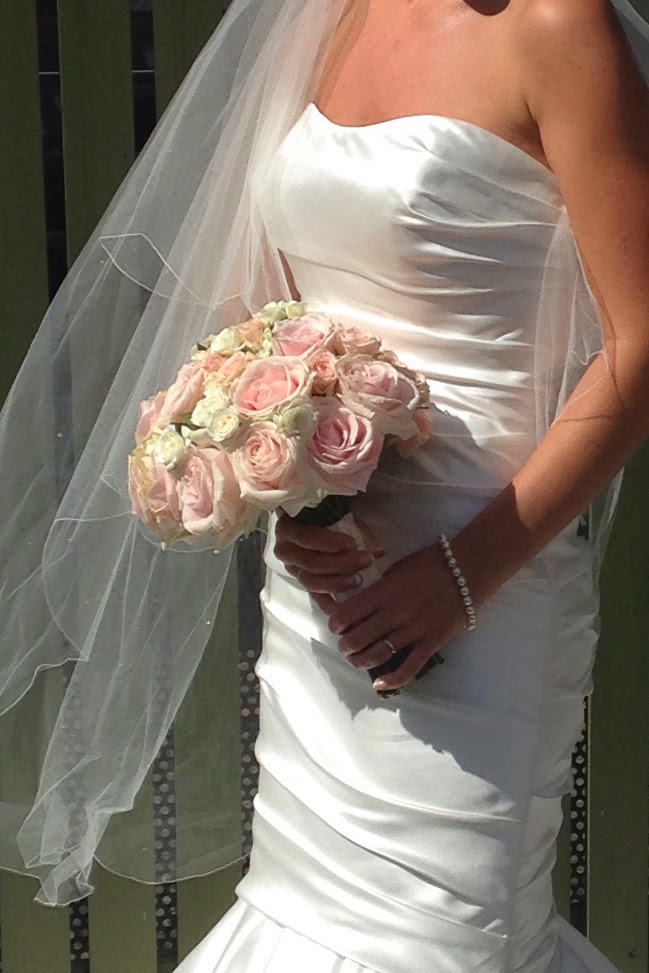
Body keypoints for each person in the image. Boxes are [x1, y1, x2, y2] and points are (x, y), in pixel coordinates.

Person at [0, 1, 647, 971]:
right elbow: (278, 304)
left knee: (442, 929)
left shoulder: (560, 26)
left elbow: (639, 345)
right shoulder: (329, 15)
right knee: (307, 910)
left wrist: (462, 573)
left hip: (485, 587)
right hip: (321, 594)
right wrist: (288, 496)